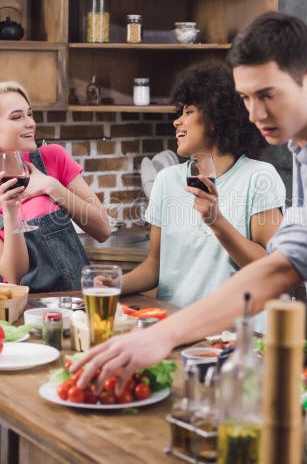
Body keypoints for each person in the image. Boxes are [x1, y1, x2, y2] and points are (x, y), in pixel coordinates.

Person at [71, 12, 307, 392]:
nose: (256, 114)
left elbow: (280, 270)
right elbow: (304, 244)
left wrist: (162, 336)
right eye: (246, 97)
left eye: (268, 95)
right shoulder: (306, 142)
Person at [122, 62, 285, 326]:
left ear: (214, 119)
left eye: (189, 112)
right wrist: (112, 284)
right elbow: (154, 266)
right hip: (175, 325)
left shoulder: (258, 177)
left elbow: (271, 266)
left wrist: (216, 221)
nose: (177, 121)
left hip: (235, 332)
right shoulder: (167, 180)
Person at [0, 81, 111, 292]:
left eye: (30, 114)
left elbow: (103, 229)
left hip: (78, 303)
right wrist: (10, 214)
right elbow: (14, 274)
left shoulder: (52, 158)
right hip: (28, 311)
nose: (30, 123)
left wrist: (52, 186)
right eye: (17, 117)